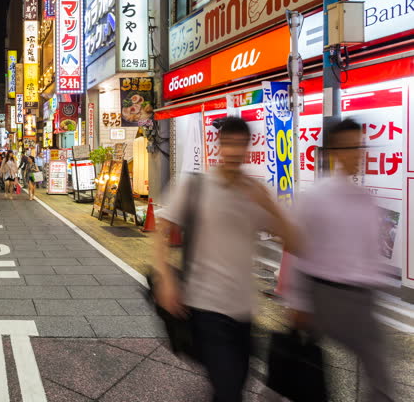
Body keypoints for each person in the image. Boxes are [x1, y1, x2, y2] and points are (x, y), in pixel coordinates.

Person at [154, 117, 298, 402]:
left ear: (248, 148)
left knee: (235, 387)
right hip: (205, 307)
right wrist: (165, 279)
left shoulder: (255, 193)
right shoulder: (195, 187)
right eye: (228, 144)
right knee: (229, 388)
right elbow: (162, 232)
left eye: (240, 145)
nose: (233, 151)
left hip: (244, 310)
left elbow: (293, 243)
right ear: (218, 146)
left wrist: (269, 203)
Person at [286, 118, 395, 402]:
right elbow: (297, 249)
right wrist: (297, 301)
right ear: (333, 152)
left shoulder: (365, 199)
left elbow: (371, 253)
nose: (357, 154)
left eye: (360, 147)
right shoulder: (314, 197)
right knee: (296, 364)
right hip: (322, 295)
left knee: (380, 377)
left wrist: (377, 289)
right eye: (349, 148)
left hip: (360, 299)